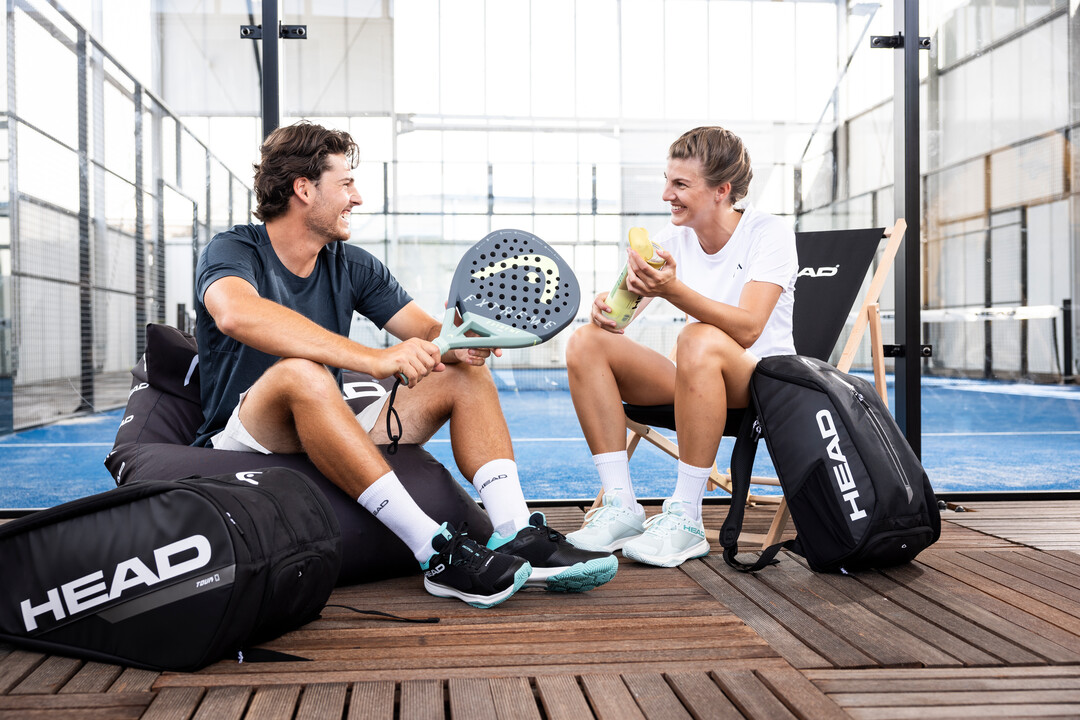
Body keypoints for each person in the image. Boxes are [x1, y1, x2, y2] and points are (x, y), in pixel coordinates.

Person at [194, 120, 616, 607]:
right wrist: (374, 359)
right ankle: (434, 552)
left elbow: (431, 333)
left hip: (326, 427)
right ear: (304, 189)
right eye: (346, 184)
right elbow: (236, 313)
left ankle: (517, 533)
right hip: (245, 437)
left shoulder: (353, 264)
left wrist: (459, 345)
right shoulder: (234, 249)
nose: (357, 197)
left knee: (464, 374)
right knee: (301, 372)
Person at [564, 126, 798, 568]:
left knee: (697, 336)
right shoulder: (669, 242)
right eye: (667, 181)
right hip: (697, 379)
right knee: (586, 343)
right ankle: (620, 506)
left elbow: (749, 328)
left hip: (759, 382)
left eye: (681, 184)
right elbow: (620, 318)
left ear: (721, 191)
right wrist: (606, 313)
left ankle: (686, 517)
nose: (666, 194)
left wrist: (673, 290)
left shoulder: (769, 233)